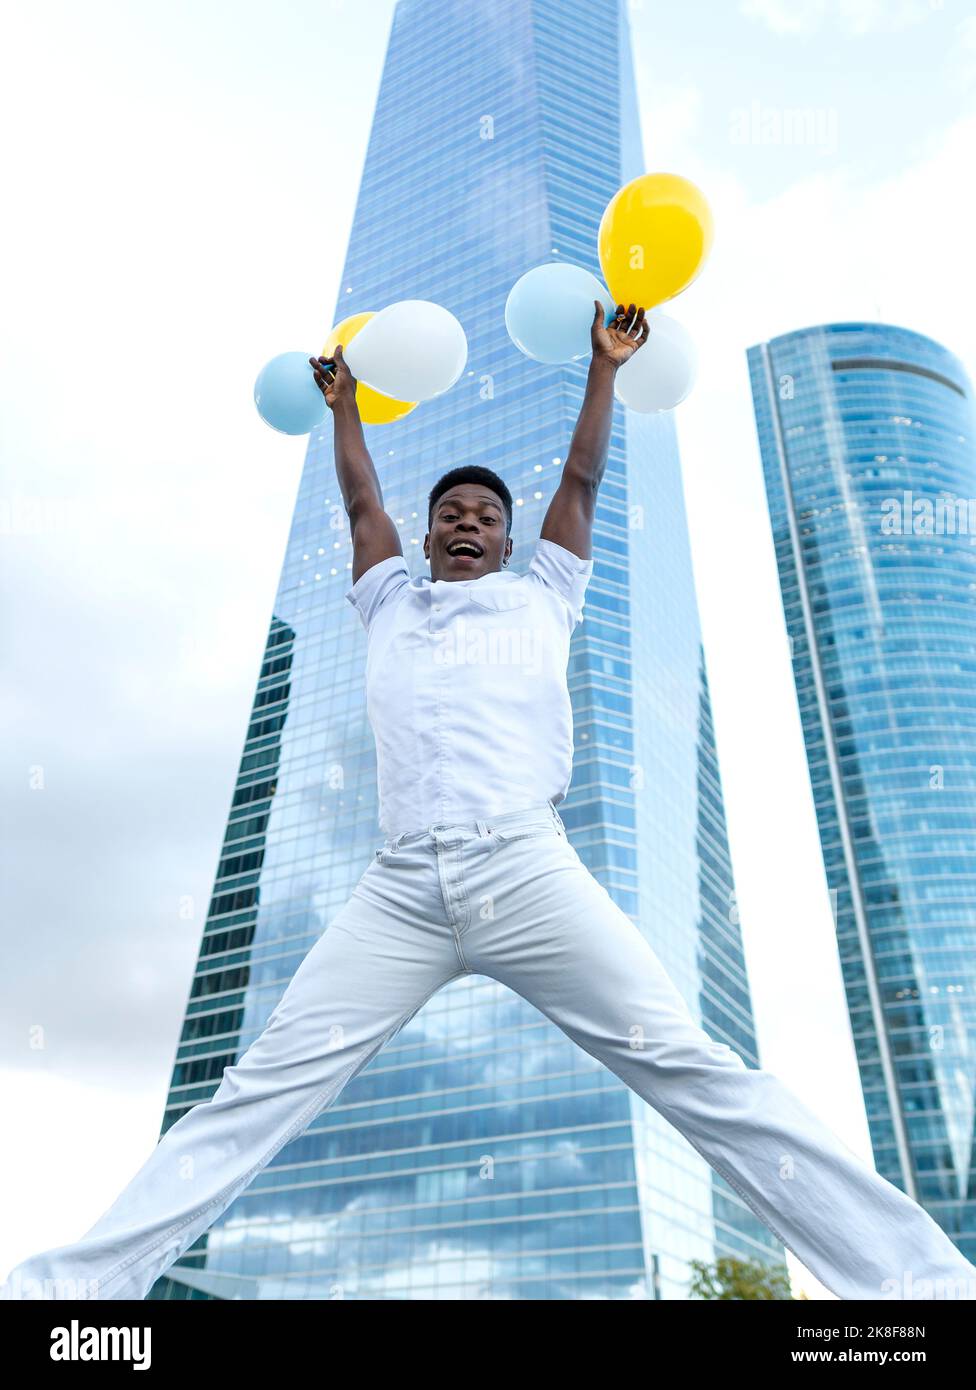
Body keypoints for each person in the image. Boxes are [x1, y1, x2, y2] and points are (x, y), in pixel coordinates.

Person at [4, 303, 974, 1302]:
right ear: (426, 540)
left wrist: (604, 367)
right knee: (254, 1093)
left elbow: (583, 478)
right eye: (451, 516)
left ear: (509, 545)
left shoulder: (545, 589)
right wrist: (343, 407)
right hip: (403, 887)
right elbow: (357, 499)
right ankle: (59, 1298)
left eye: (486, 519)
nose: (468, 523)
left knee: (691, 1063)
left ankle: (923, 1288)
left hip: (524, 869)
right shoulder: (388, 598)